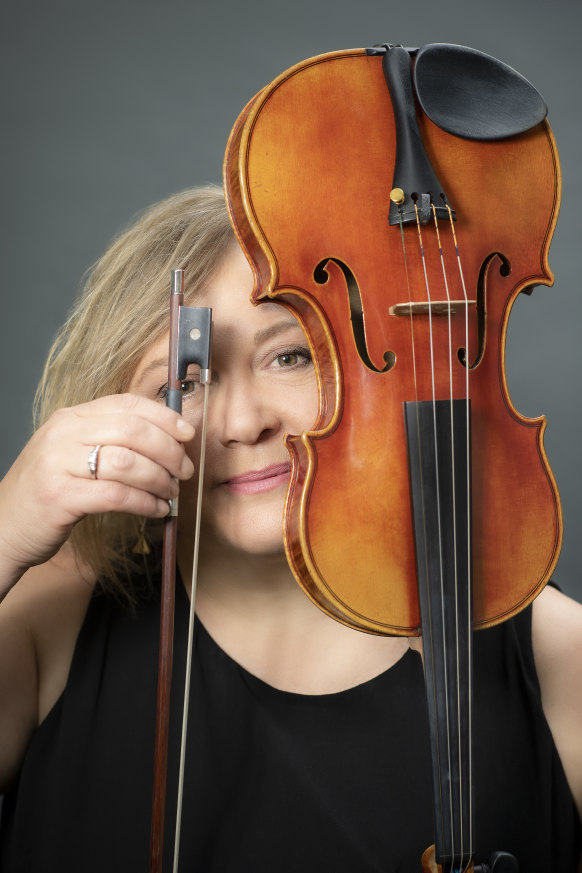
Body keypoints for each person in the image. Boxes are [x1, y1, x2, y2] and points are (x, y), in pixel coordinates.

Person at [0, 185, 580, 872]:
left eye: (291, 355)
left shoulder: (545, 639)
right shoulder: (48, 615)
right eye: (181, 382)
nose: (245, 423)